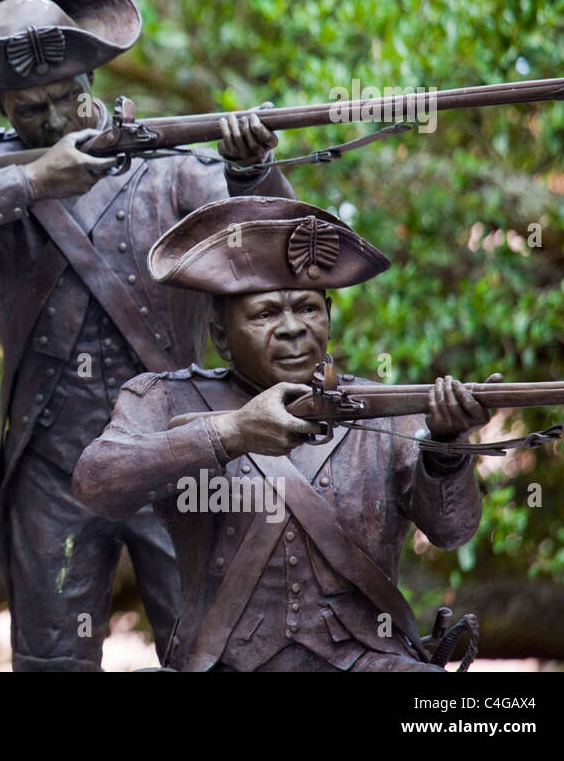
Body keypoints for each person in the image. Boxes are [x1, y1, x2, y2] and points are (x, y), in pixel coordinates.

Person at [0, 0, 292, 670]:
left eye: (63, 102)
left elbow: (274, 250)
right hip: (52, 464)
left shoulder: (170, 168)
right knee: (52, 658)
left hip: (179, 448)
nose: (48, 122)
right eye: (27, 110)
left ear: (91, 87)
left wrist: (253, 170)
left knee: (211, 650)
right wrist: (34, 178)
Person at [73, 196, 489, 671]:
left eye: (308, 308)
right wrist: (231, 432)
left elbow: (452, 532)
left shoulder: (385, 409)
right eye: (266, 313)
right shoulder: (166, 399)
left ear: (329, 314)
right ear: (221, 336)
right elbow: (95, 484)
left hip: (369, 660)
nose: (293, 329)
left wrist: (447, 452)